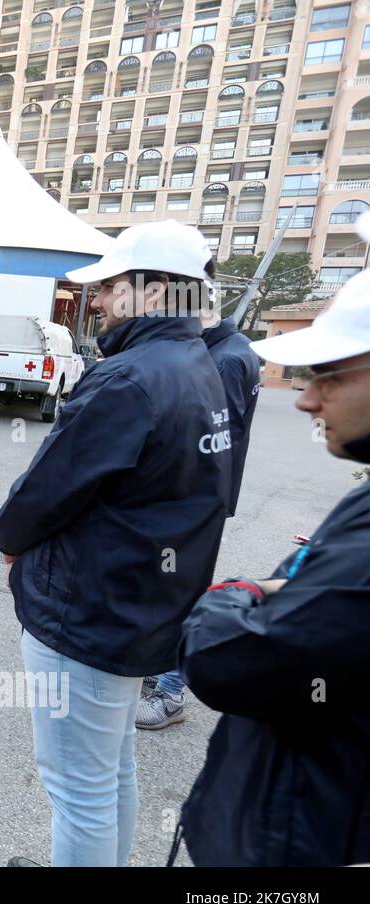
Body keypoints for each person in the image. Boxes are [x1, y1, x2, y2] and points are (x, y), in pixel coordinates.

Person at [0, 220, 230, 866]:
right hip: (141, 610)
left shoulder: (130, 377)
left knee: (80, 789)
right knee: (110, 770)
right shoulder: (197, 365)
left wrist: (11, 541)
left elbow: (45, 489)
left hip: (89, 615)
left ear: (154, 292)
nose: (95, 300)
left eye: (109, 287)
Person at [176, 270, 370, 866]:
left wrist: (233, 591)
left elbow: (227, 661)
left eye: (330, 375)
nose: (307, 398)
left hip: (295, 843)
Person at [139, 280, 263, 731]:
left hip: (197, 499)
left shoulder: (226, 358)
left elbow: (214, 442)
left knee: (179, 589)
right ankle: (159, 667)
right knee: (167, 583)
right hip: (198, 498)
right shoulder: (230, 347)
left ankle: (171, 693)